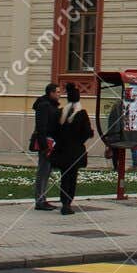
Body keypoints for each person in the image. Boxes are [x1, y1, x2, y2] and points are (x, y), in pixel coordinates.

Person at [50, 85, 95, 215]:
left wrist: (60, 141)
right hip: (75, 152)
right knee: (72, 177)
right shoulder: (81, 113)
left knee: (64, 177)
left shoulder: (60, 113)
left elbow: (53, 131)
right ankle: (68, 203)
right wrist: (79, 141)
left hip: (62, 150)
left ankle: (64, 202)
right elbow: (87, 132)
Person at [30, 83, 61, 210]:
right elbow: (41, 127)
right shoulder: (44, 106)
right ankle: (40, 200)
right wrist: (44, 146)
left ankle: (43, 198)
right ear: (51, 93)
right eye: (57, 92)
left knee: (47, 171)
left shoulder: (51, 105)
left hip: (51, 142)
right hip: (45, 143)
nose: (60, 94)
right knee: (43, 172)